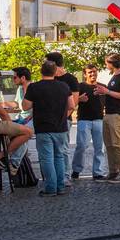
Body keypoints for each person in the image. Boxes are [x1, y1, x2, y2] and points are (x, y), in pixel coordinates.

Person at [24, 59, 77, 196]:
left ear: (41, 72)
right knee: (59, 157)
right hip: (61, 127)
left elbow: (25, 106)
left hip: (43, 127)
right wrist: (62, 116)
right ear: (55, 72)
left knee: (46, 158)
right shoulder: (64, 86)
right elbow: (71, 105)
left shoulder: (34, 87)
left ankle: (50, 187)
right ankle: (60, 186)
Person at [46, 51, 80, 185]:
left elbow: (74, 102)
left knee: (63, 149)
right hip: (49, 119)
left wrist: (61, 118)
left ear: (53, 63)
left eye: (46, 62)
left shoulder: (71, 79)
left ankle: (65, 176)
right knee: (51, 150)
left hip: (64, 120)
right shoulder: (49, 78)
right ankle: (54, 177)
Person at [98, 54, 120, 182]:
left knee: (117, 144)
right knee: (109, 145)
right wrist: (103, 92)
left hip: (118, 114)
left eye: (107, 63)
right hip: (109, 113)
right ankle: (113, 171)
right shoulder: (114, 76)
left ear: (113, 63)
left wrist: (107, 92)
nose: (106, 65)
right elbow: (112, 93)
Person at [72, 63, 107, 179]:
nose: (93, 74)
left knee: (99, 148)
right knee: (81, 146)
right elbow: (72, 101)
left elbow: (107, 102)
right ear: (85, 74)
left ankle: (98, 172)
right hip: (84, 120)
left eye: (94, 71)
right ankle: (76, 170)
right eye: (90, 72)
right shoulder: (79, 86)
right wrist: (80, 99)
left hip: (99, 120)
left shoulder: (102, 87)